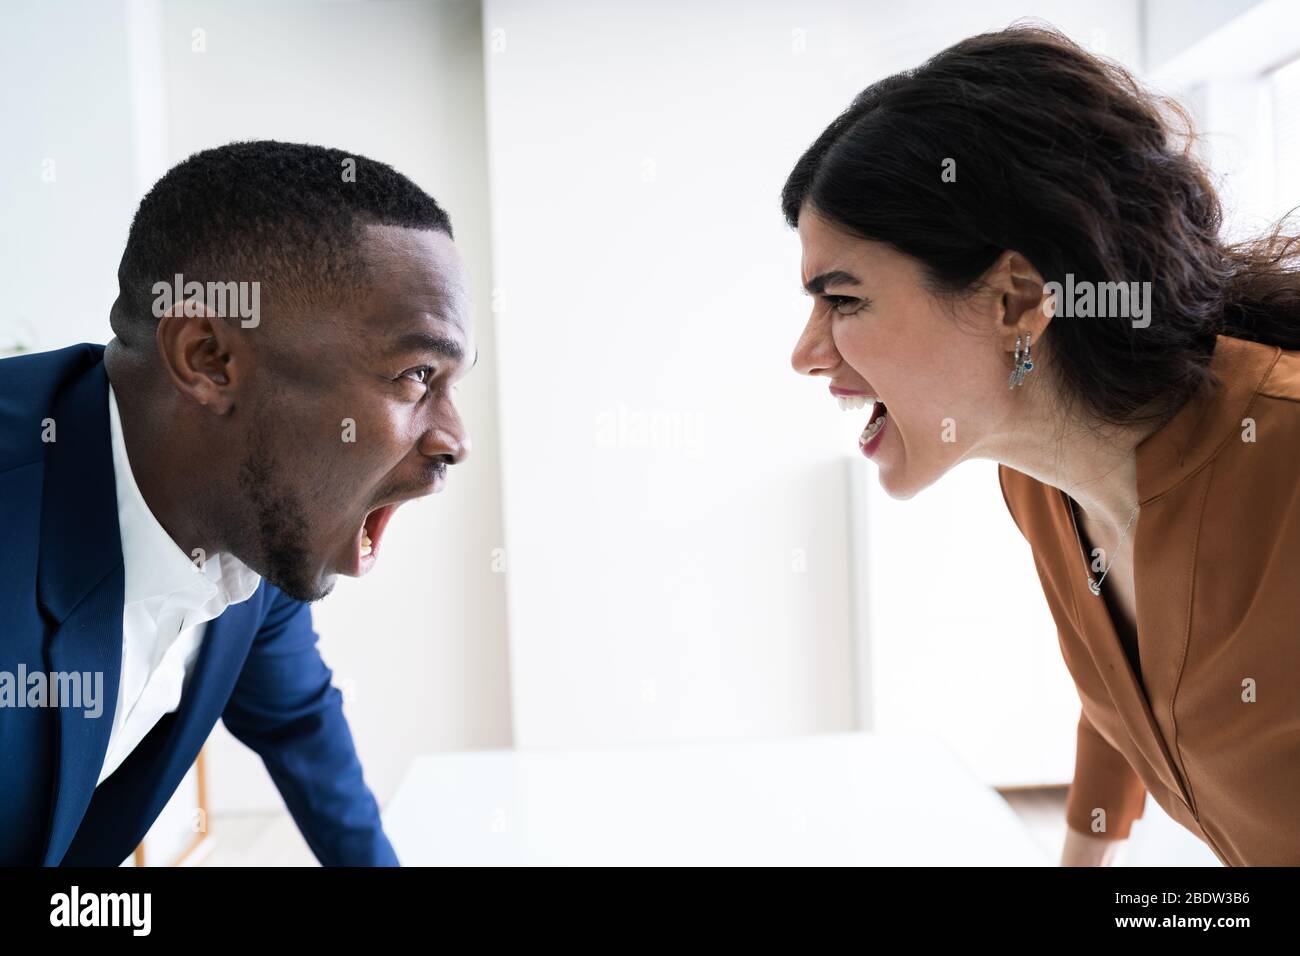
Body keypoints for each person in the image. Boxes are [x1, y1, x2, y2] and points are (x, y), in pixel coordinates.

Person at [785, 26, 1300, 866]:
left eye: (842, 300)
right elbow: (1129, 687)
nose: (807, 352)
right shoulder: (1046, 483)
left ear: (1017, 301)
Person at [0, 141, 474, 865]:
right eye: (416, 374)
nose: (454, 439)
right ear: (209, 359)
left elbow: (301, 727)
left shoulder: (250, 532)